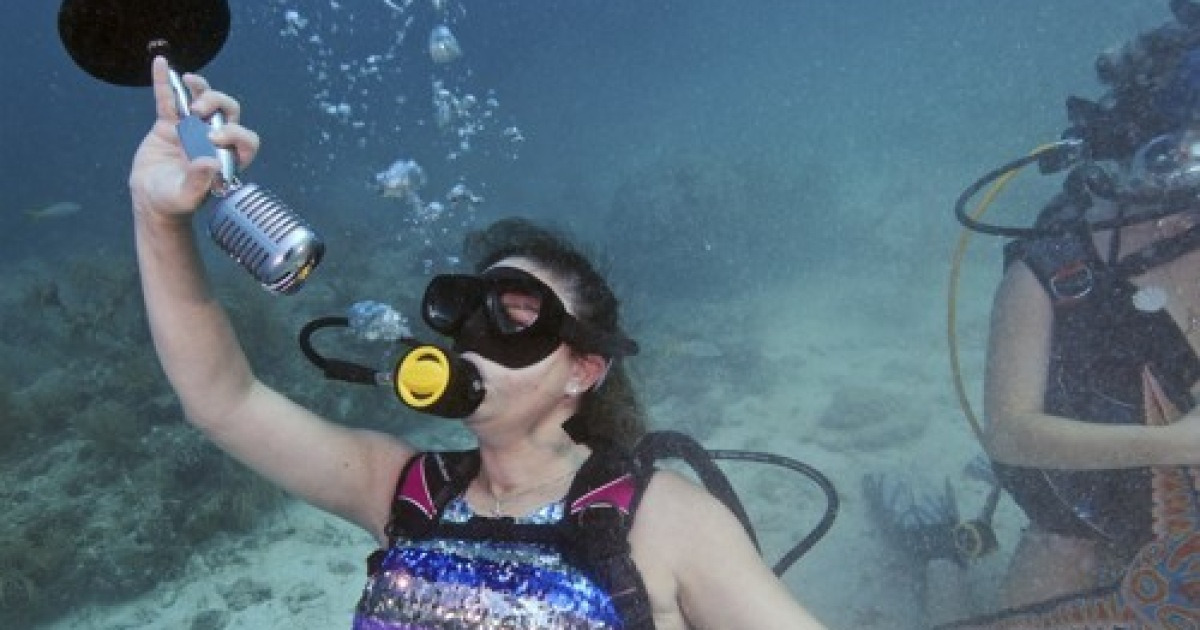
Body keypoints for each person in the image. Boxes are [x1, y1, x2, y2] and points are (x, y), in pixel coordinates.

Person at [128, 55, 825, 629]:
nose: (474, 338)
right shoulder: (405, 492)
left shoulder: (663, 520)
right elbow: (222, 399)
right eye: (467, 312)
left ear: (584, 367)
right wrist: (156, 212)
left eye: (516, 317)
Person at [981, 3, 1200, 610]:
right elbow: (1010, 432)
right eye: (1180, 155)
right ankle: (941, 555)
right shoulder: (1052, 264)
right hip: (1082, 511)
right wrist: (1174, 446)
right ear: (1130, 142)